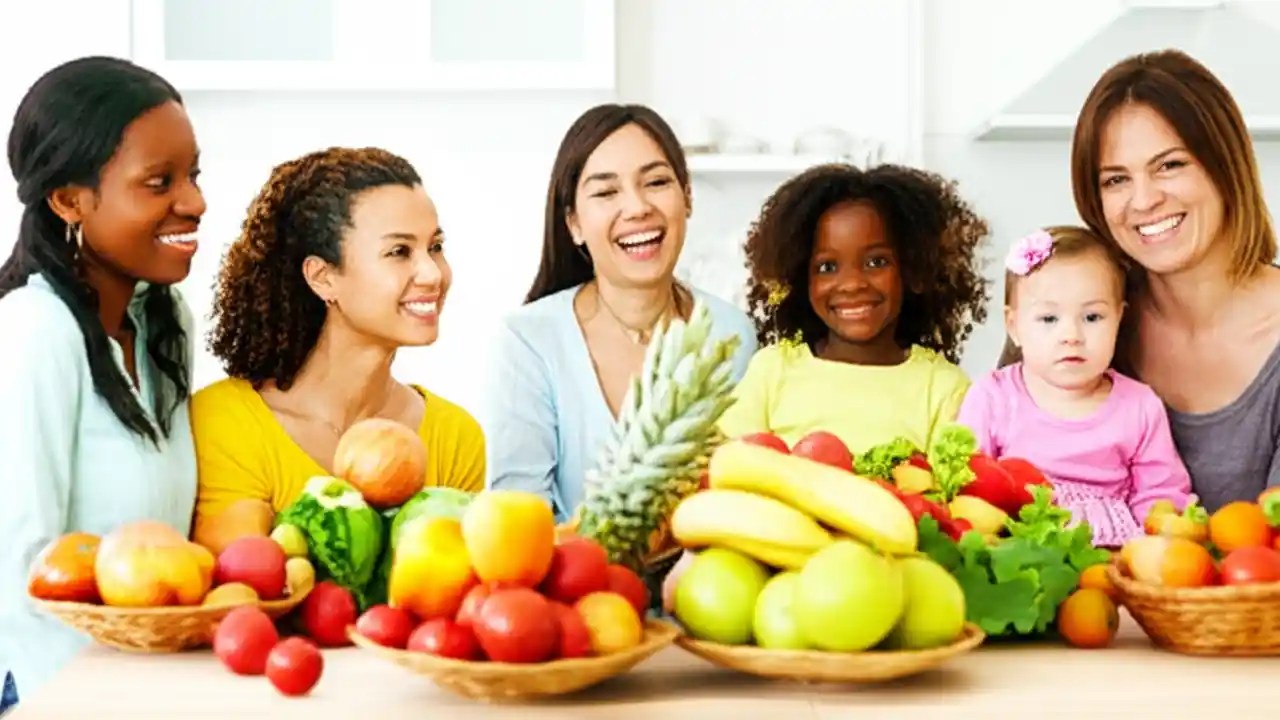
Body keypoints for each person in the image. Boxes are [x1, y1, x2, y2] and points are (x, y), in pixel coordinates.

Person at [0, 56, 205, 706]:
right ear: (68, 199)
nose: (195, 202)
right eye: (158, 182)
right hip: (59, 696)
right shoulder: (33, 332)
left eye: (194, 175)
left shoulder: (165, 320)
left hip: (154, 689)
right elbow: (25, 571)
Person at [190, 147, 484, 554]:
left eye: (435, 247)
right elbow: (243, 588)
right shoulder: (226, 423)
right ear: (323, 277)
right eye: (399, 251)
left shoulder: (455, 437)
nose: (433, 273)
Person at [483, 103, 758, 524]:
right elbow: (518, 521)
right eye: (606, 192)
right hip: (576, 586)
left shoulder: (732, 334)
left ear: (687, 198)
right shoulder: (529, 341)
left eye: (656, 182)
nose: (637, 207)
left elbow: (747, 494)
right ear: (573, 223)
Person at [1071, 49, 1280, 512]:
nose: (1143, 201)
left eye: (1170, 165)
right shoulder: (1069, 313)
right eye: (1115, 180)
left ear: (1225, 165)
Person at [715, 163, 990, 453]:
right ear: (800, 279)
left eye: (876, 262)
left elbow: (954, 491)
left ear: (914, 270)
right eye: (827, 267)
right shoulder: (772, 370)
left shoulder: (943, 387)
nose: (851, 284)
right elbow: (730, 465)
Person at [958, 226, 1193, 547]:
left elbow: (1160, 494)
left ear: (1119, 320)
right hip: (1021, 546)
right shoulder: (993, 398)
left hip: (1113, 553)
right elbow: (968, 488)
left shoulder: (1139, 406)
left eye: (1093, 317)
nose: (1071, 335)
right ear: (1014, 326)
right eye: (1049, 319)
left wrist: (1158, 544)